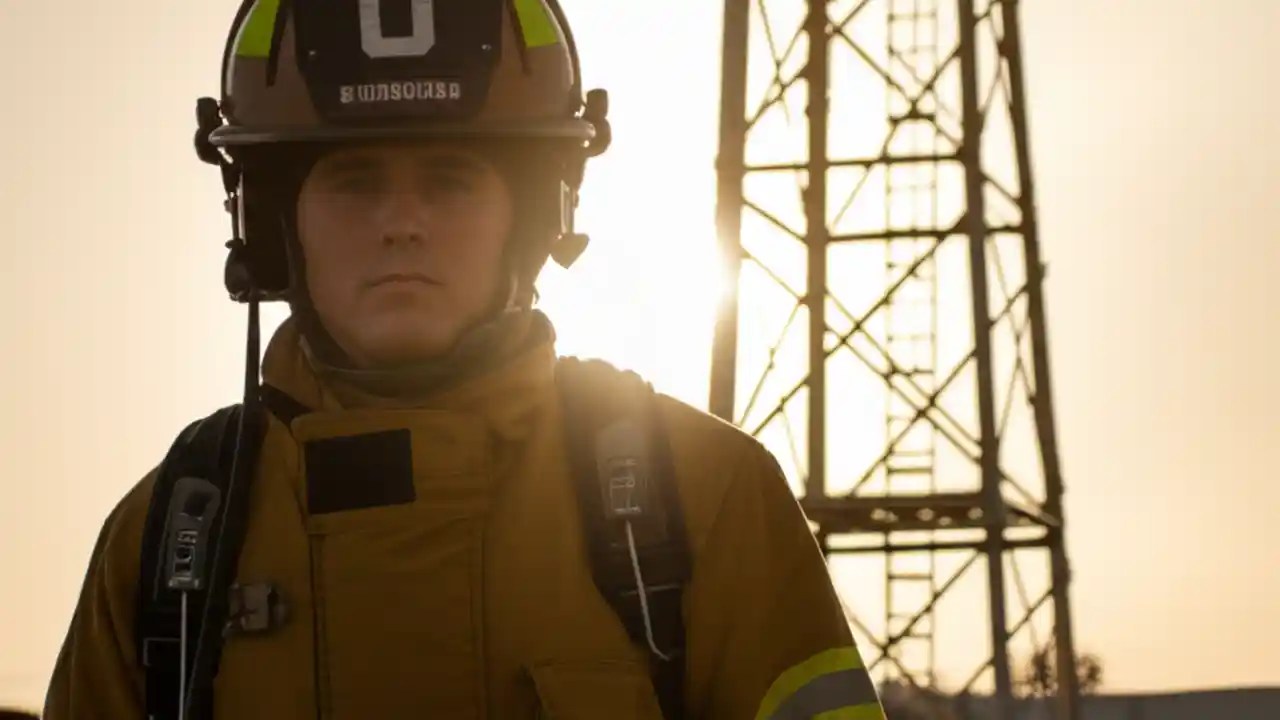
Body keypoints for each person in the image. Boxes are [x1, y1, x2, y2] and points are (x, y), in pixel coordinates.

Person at [43, 1, 886, 718]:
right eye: (354, 180)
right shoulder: (166, 545)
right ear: (270, 227)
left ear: (530, 217)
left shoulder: (702, 495)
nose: (402, 221)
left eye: (450, 180)